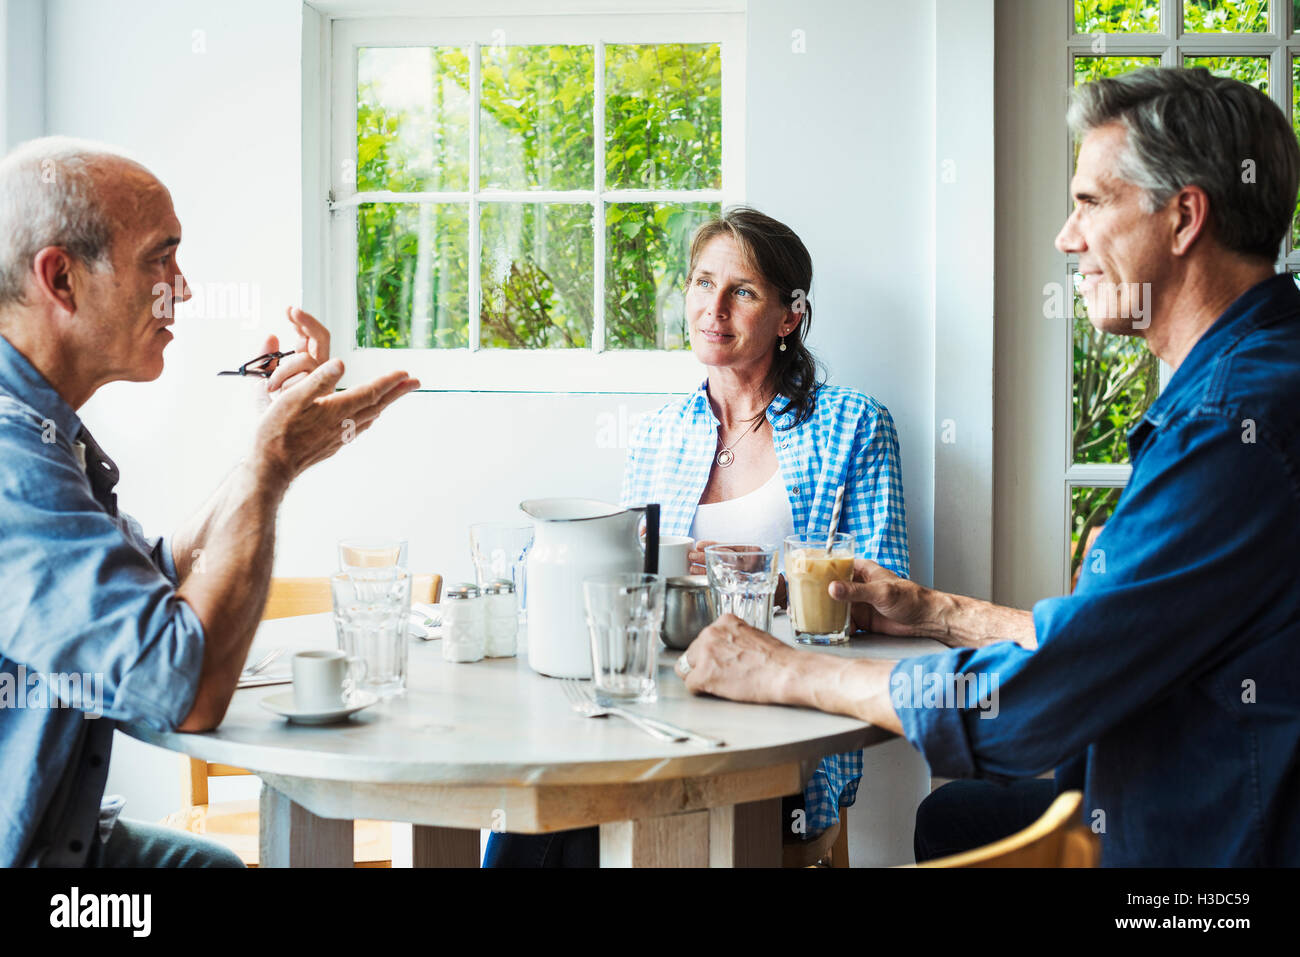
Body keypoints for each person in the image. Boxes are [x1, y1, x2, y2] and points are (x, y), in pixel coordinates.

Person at [675, 68, 1300, 866]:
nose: (1066, 238)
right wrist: (932, 609)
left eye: (1090, 203)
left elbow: (1034, 704)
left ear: (1183, 217)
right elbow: (1113, 638)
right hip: (1185, 795)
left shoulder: (1227, 427)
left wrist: (790, 671)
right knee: (958, 818)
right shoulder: (1253, 375)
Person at [0, 137, 419, 867]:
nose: (182, 288)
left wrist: (263, 449)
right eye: (159, 259)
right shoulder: (12, 460)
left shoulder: (40, 428)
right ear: (61, 279)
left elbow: (151, 575)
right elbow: (184, 689)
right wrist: (268, 469)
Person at [484, 206, 908, 866]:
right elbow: (624, 594)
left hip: (780, 726)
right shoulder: (658, 434)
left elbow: (886, 606)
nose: (715, 309)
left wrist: (748, 577)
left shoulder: (855, 424)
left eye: (743, 291)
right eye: (703, 283)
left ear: (788, 316)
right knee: (526, 816)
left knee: (588, 833)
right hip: (651, 716)